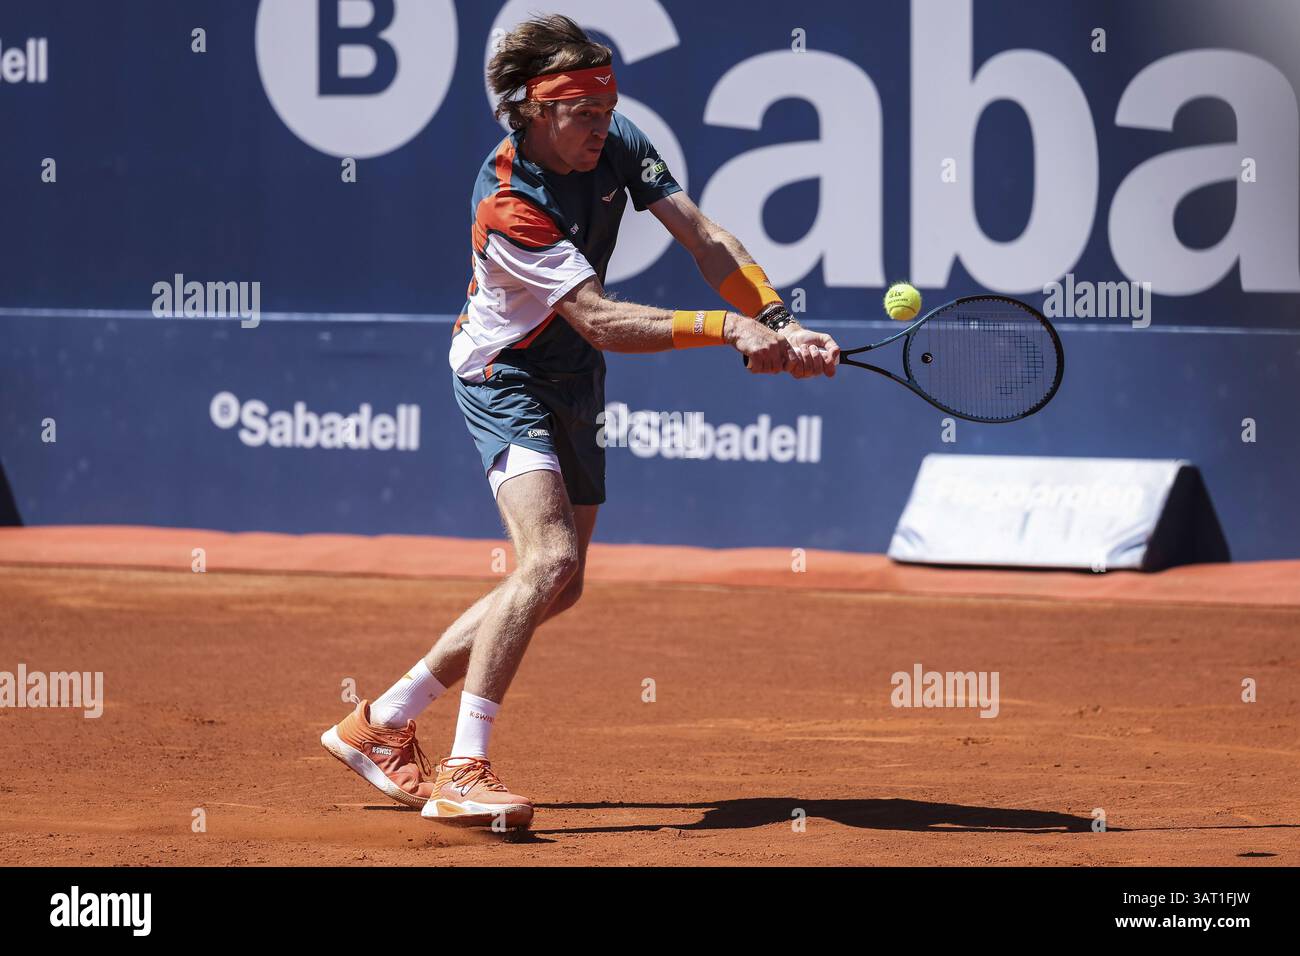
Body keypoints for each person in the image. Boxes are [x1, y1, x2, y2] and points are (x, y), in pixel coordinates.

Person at [322, 13, 839, 829]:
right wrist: (723, 329)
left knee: (560, 585)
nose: (602, 127)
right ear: (532, 109)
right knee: (549, 555)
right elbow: (598, 317)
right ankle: (465, 767)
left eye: (607, 111)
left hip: (574, 377)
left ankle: (380, 722)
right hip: (505, 374)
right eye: (582, 114)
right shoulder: (507, 200)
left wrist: (775, 318)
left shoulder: (618, 139)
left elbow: (703, 239)